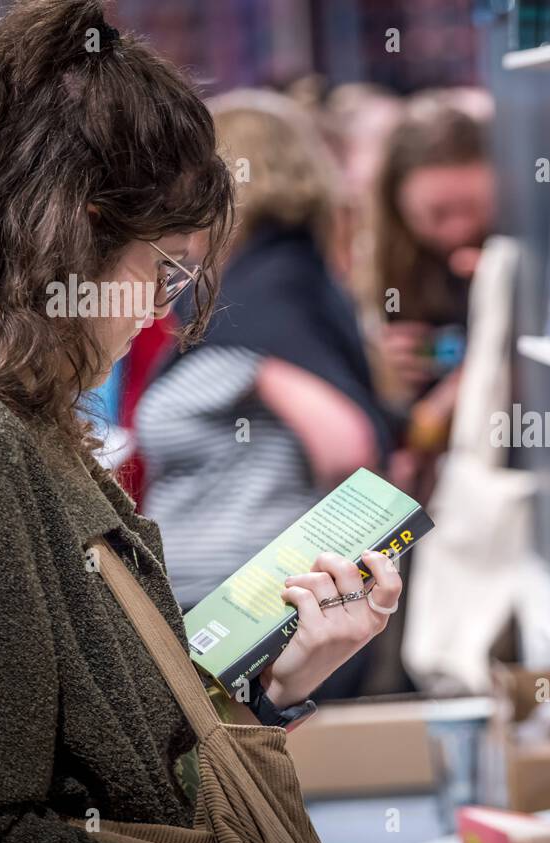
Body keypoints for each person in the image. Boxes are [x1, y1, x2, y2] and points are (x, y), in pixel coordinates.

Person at [0, 0, 399, 843]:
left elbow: (122, 757)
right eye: (166, 268)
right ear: (72, 233)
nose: (165, 309)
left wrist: (272, 686)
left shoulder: (23, 423)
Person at [135, 89, 397, 697]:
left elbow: (348, 441)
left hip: (248, 620)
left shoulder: (261, 294)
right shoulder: (289, 281)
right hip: (242, 617)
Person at [369, 94, 497, 499]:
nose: (458, 230)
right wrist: (375, 362)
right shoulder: (373, 264)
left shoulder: (516, 247)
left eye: (473, 208)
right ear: (397, 203)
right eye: (437, 214)